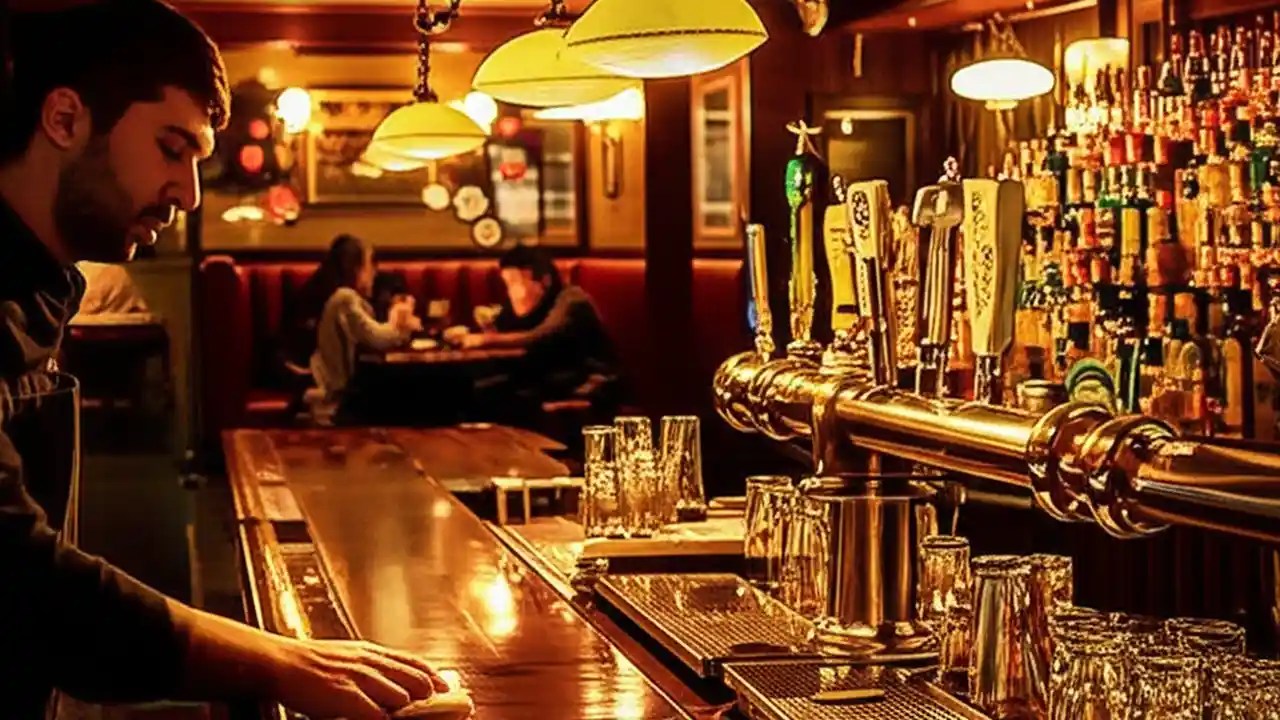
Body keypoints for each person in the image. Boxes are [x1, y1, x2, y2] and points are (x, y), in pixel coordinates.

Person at [0, 2, 447, 718]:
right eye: (171, 148)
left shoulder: (39, 290)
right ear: (64, 119)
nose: (189, 193)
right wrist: (279, 662)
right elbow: (19, 583)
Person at [462, 245, 618, 420]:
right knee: (472, 388)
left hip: (589, 383)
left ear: (545, 281)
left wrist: (482, 340)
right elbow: (506, 335)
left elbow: (540, 336)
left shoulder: (572, 299)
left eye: (515, 282)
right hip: (547, 378)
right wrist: (488, 328)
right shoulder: (525, 302)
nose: (511, 291)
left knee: (493, 395)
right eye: (507, 283)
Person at [308, 234, 420, 424]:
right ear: (355, 268)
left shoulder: (350, 299)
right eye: (370, 265)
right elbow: (379, 339)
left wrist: (401, 324)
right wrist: (399, 319)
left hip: (348, 393)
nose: (374, 273)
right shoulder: (344, 298)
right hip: (339, 398)